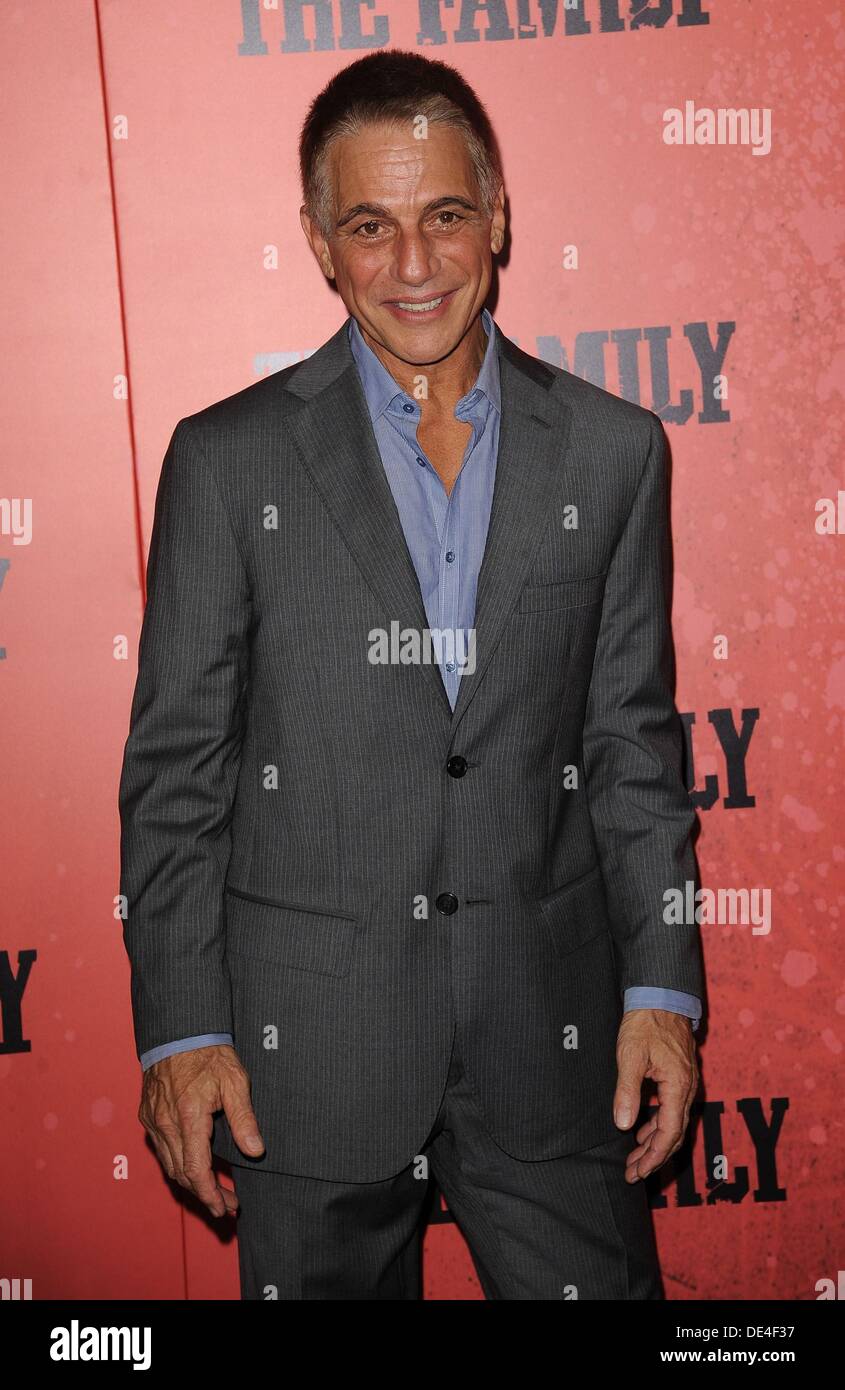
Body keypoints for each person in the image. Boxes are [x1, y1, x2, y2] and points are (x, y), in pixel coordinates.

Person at [119, 47, 704, 1301]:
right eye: (369, 226)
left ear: (497, 216)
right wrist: (183, 1027)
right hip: (304, 1060)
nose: (414, 264)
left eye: (444, 215)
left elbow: (632, 754)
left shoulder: (611, 453)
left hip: (551, 1043)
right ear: (318, 244)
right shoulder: (225, 463)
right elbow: (177, 779)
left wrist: (660, 989)